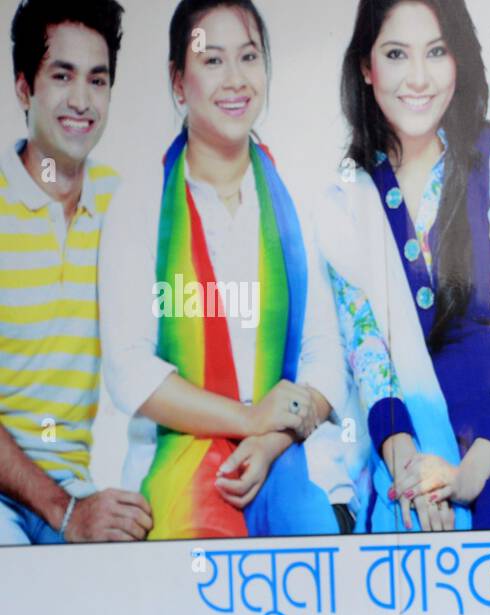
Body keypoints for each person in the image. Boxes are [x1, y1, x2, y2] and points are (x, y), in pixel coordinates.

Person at [321, 0, 490, 534]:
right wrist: (411, 473)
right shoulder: (348, 198)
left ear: (459, 61)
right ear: (366, 65)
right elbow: (368, 351)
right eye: (396, 54)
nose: (419, 78)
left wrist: (470, 474)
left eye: (437, 52)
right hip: (421, 437)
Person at [99, 0, 354, 540]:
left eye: (248, 57)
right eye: (212, 61)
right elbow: (128, 369)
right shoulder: (140, 202)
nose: (235, 80)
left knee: (307, 544)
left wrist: (271, 439)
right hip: (178, 452)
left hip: (289, 450)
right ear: (177, 79)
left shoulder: (294, 196)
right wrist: (246, 420)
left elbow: (324, 353)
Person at [0, 0, 153, 545]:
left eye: (98, 79)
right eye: (62, 76)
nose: (82, 101)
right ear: (24, 88)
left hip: (74, 492)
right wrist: (67, 513)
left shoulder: (125, 203)